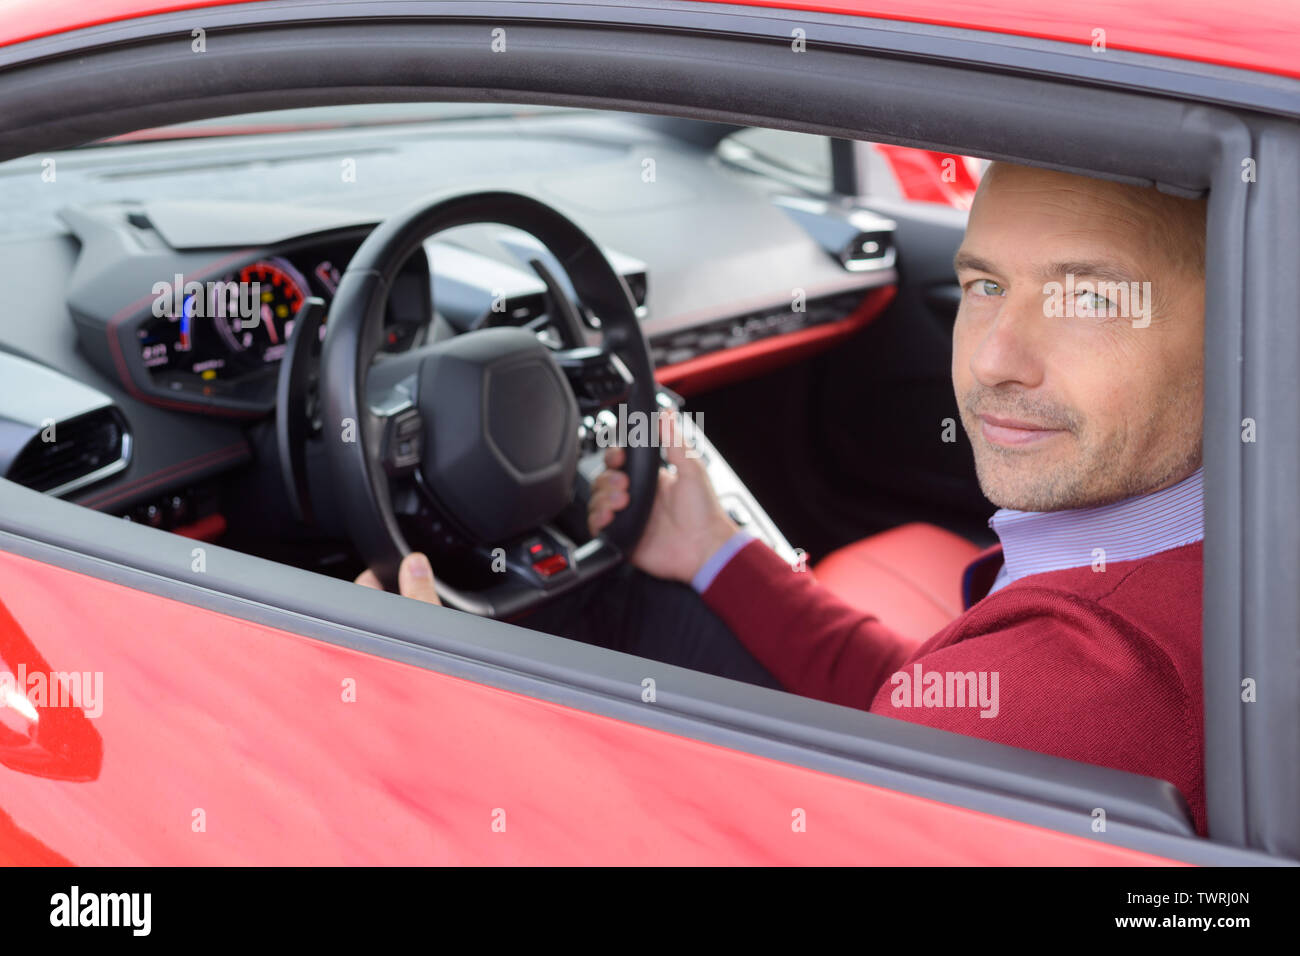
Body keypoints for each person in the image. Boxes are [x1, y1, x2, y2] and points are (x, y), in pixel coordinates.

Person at [359, 161, 1212, 835]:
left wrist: (437, 723)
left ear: (1245, 324)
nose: (996, 359)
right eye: (986, 285)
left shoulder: (1069, 692)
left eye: (1091, 298)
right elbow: (922, 701)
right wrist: (717, 551)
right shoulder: (1188, 557)